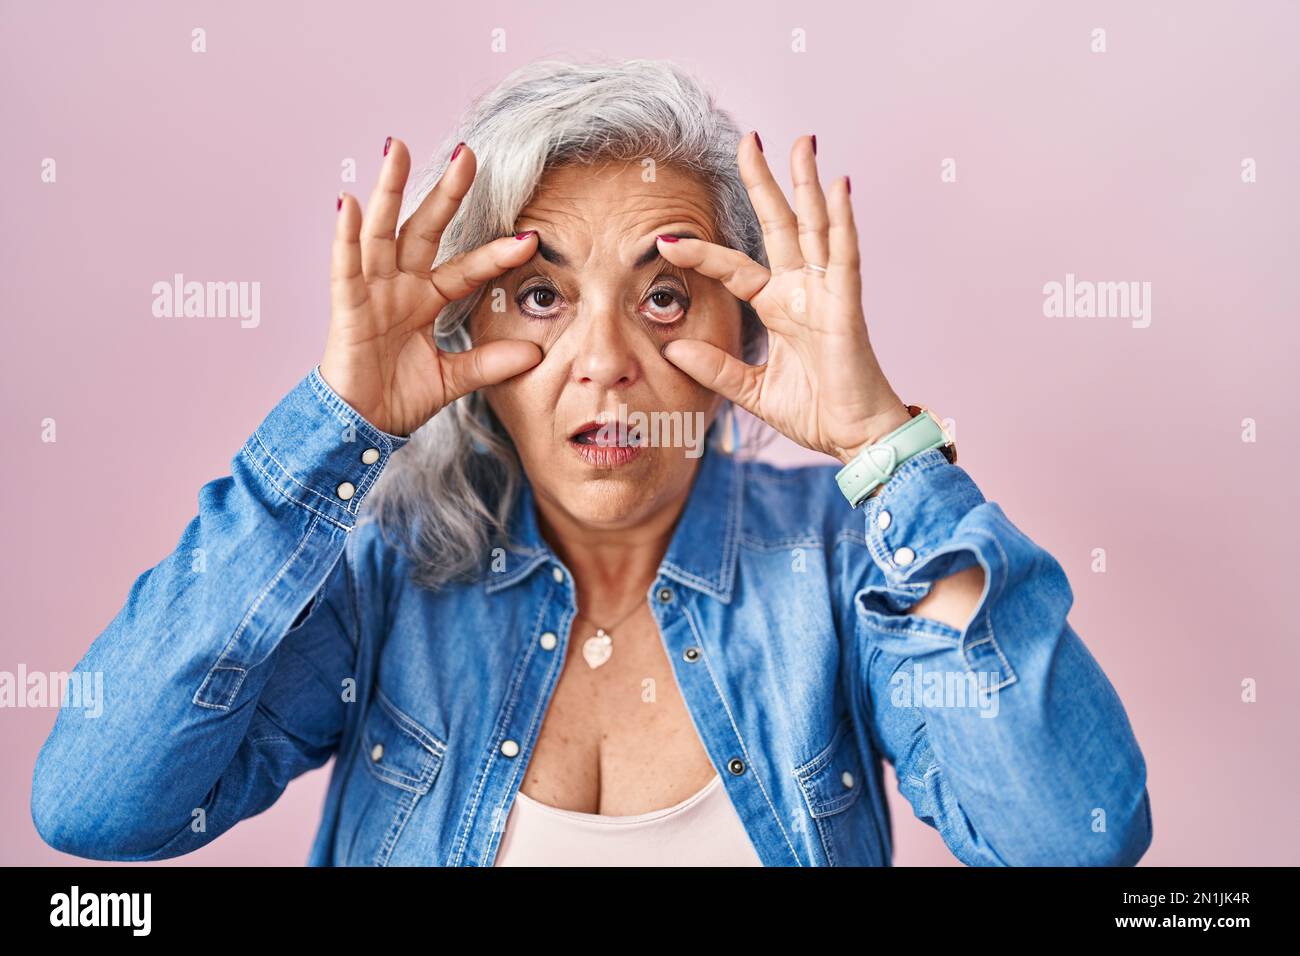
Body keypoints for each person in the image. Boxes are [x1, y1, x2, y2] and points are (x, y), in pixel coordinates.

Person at [31, 58, 1152, 866]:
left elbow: (1070, 839)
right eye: (540, 296)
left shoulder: (843, 563)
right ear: (465, 334)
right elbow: (95, 807)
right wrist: (337, 427)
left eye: (664, 297)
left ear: (748, 332)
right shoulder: (384, 577)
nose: (605, 361)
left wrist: (885, 451)